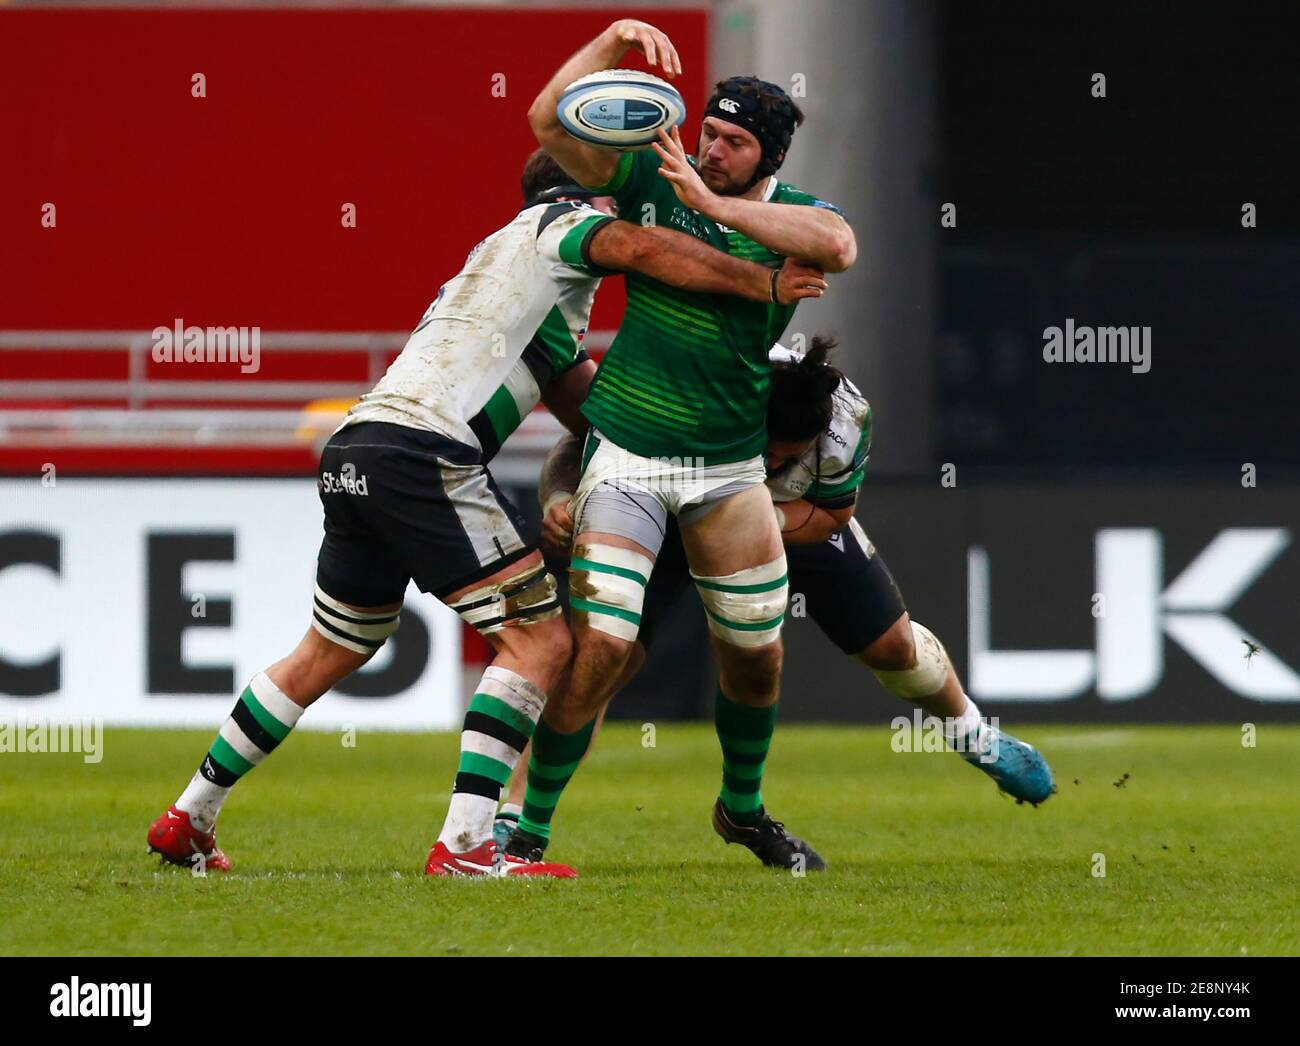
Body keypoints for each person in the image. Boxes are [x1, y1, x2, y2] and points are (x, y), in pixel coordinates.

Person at [145, 149, 826, 878]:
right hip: (423, 456)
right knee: (542, 643)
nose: (625, 210)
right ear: (585, 194)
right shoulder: (557, 225)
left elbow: (591, 412)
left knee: (329, 648)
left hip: (357, 450)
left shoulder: (506, 278)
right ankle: (467, 847)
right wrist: (764, 282)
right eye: (613, 195)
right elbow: (642, 246)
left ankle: (189, 816)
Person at [497, 337, 1055, 871]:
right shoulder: (700, 383)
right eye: (758, 448)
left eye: (782, 457)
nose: (765, 462)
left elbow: (833, 514)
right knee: (603, 660)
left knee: (886, 644)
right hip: (664, 507)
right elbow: (582, 440)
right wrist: (560, 498)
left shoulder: (847, 423)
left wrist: (752, 519)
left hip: (781, 520)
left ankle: (975, 736)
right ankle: (515, 819)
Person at [517, 18, 856, 869]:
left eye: (733, 143)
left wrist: (715, 208)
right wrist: (610, 41)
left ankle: (741, 810)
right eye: (708, 132)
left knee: (756, 656)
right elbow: (547, 122)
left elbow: (841, 247)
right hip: (626, 451)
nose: (708, 150)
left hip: (728, 467)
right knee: (603, 646)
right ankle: (530, 831)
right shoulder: (647, 172)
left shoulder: (797, 216)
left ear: (769, 158)